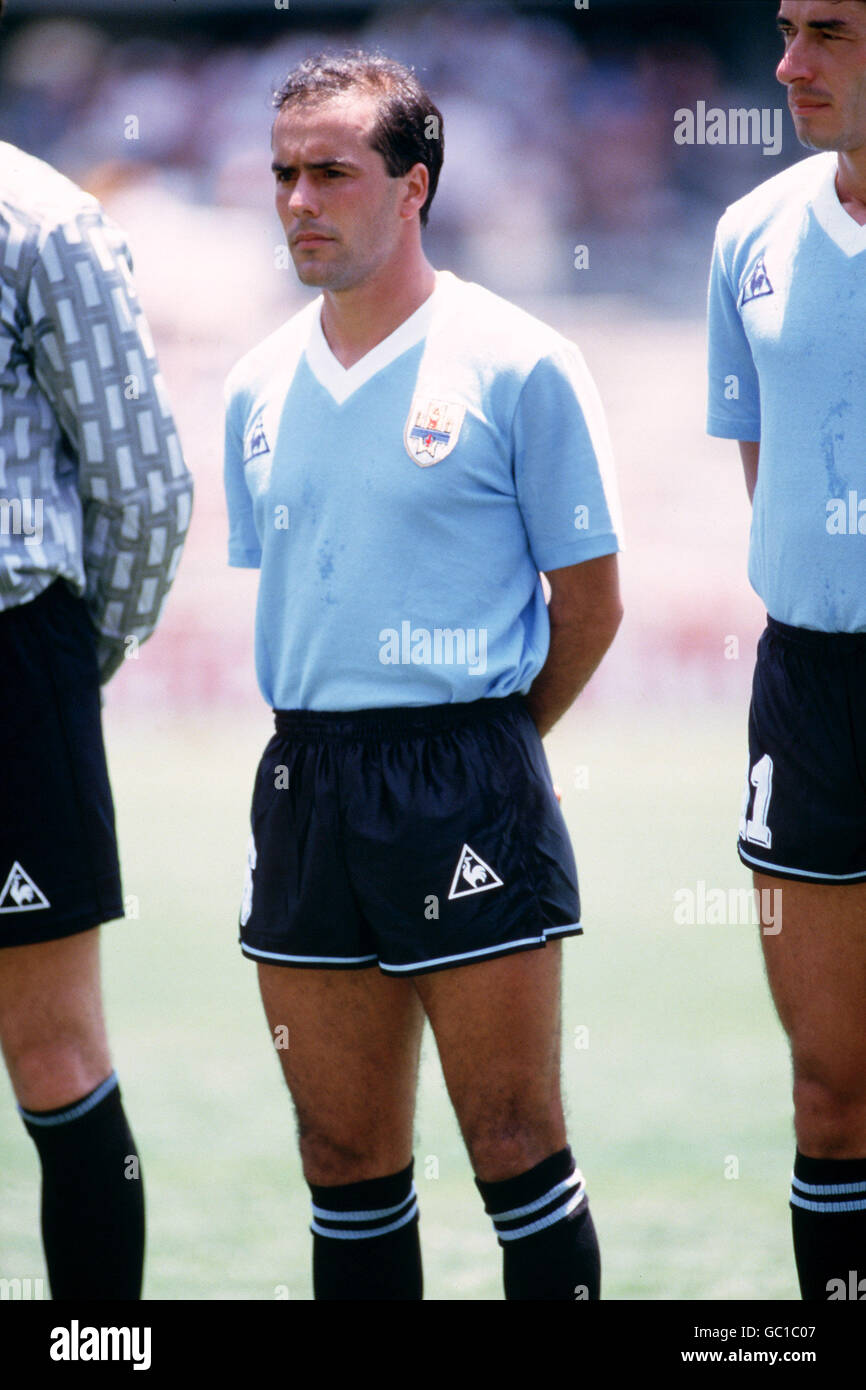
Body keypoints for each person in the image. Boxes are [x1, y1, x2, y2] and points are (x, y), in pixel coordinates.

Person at [224, 49, 623, 1301]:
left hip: (466, 772)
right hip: (305, 778)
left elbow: (592, 605)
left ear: (414, 187)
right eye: (283, 173)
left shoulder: (517, 361)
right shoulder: (254, 384)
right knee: (341, 1158)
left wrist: (498, 750)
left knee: (512, 1148)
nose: (298, 199)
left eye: (331, 172)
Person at [0, 10, 194, 1298]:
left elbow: (144, 489)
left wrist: (75, 665)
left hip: (12, 663)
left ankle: (98, 1353)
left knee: (56, 1053)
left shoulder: (43, 220)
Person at [707, 0, 866, 1302]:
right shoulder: (747, 235)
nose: (787, 65)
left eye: (830, 32)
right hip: (808, 688)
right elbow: (766, 473)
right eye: (782, 27)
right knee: (827, 1088)